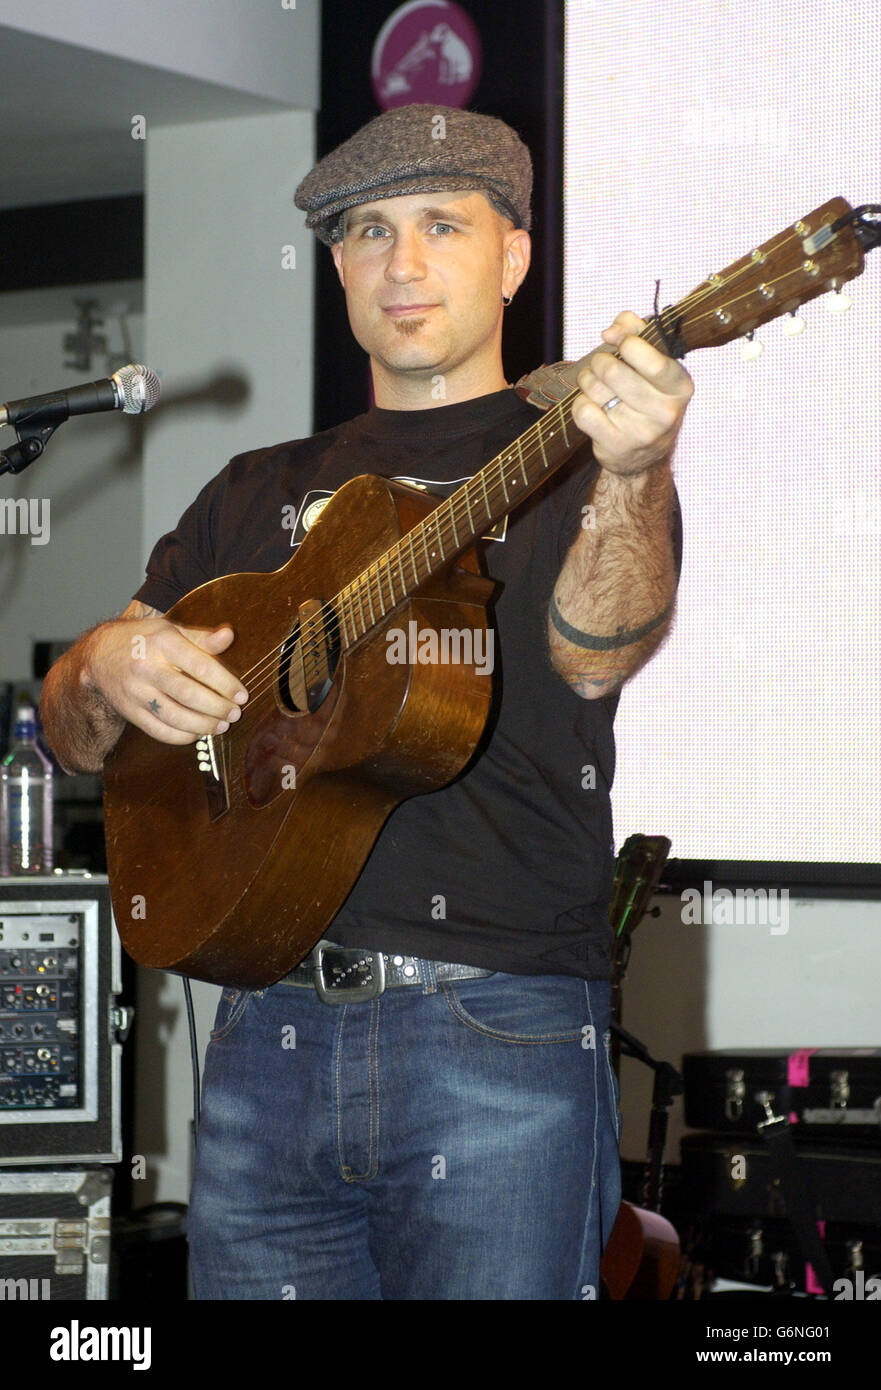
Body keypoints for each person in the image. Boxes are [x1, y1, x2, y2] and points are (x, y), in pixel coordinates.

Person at [40, 104, 693, 1300]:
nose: (401, 263)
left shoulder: (578, 459)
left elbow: (598, 654)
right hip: (260, 1040)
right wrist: (102, 666)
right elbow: (80, 735)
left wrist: (635, 468)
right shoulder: (252, 493)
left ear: (511, 258)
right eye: (367, 232)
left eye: (443, 224)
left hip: (494, 1030)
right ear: (334, 263)